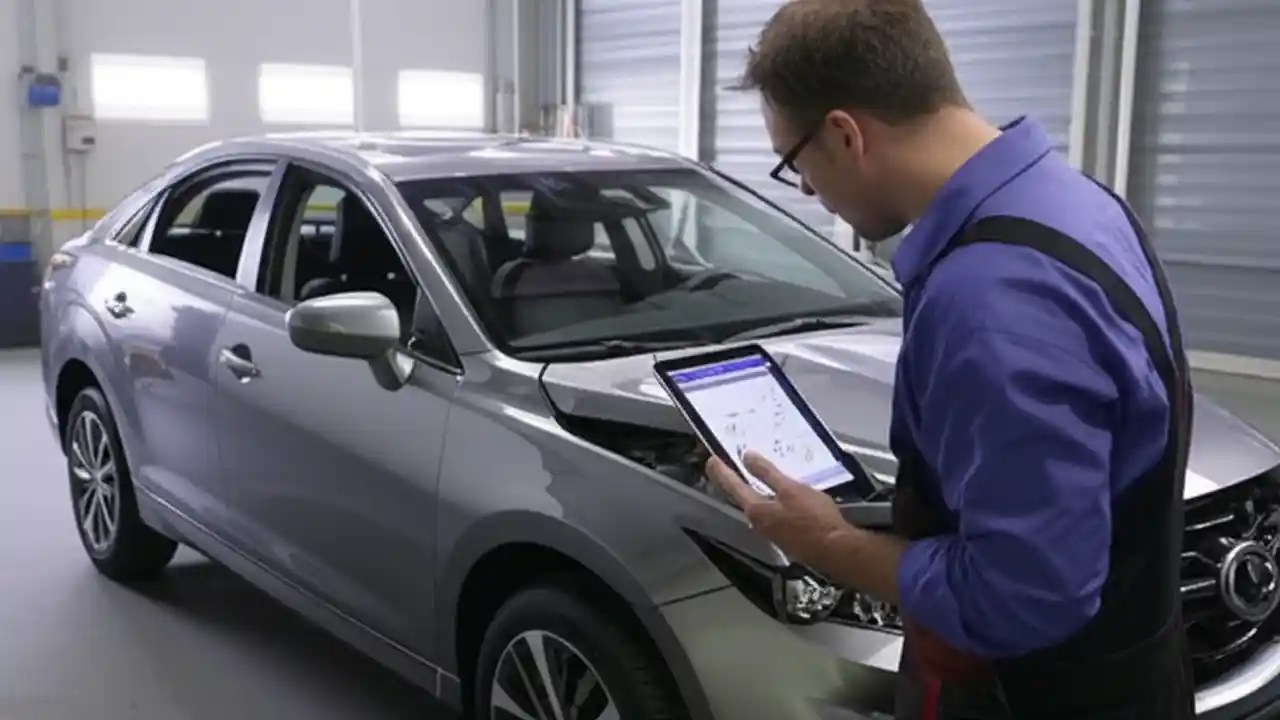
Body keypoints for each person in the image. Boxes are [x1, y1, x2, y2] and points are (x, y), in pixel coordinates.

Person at [704, 1, 1198, 718]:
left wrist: (831, 542)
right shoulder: (1080, 203)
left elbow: (1022, 598)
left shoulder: (990, 297)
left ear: (844, 135)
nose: (807, 191)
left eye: (794, 163)